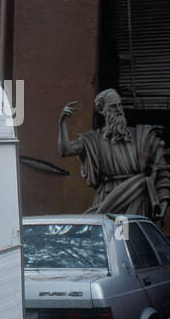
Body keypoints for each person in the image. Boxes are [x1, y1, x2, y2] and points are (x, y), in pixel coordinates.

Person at [58, 90, 170, 222]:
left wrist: (163, 200)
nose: (118, 110)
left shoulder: (142, 137)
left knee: (130, 239)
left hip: (136, 198)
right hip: (107, 199)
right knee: (109, 238)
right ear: (102, 110)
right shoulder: (93, 140)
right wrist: (62, 122)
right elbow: (65, 150)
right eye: (113, 106)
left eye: (119, 105)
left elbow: (161, 170)